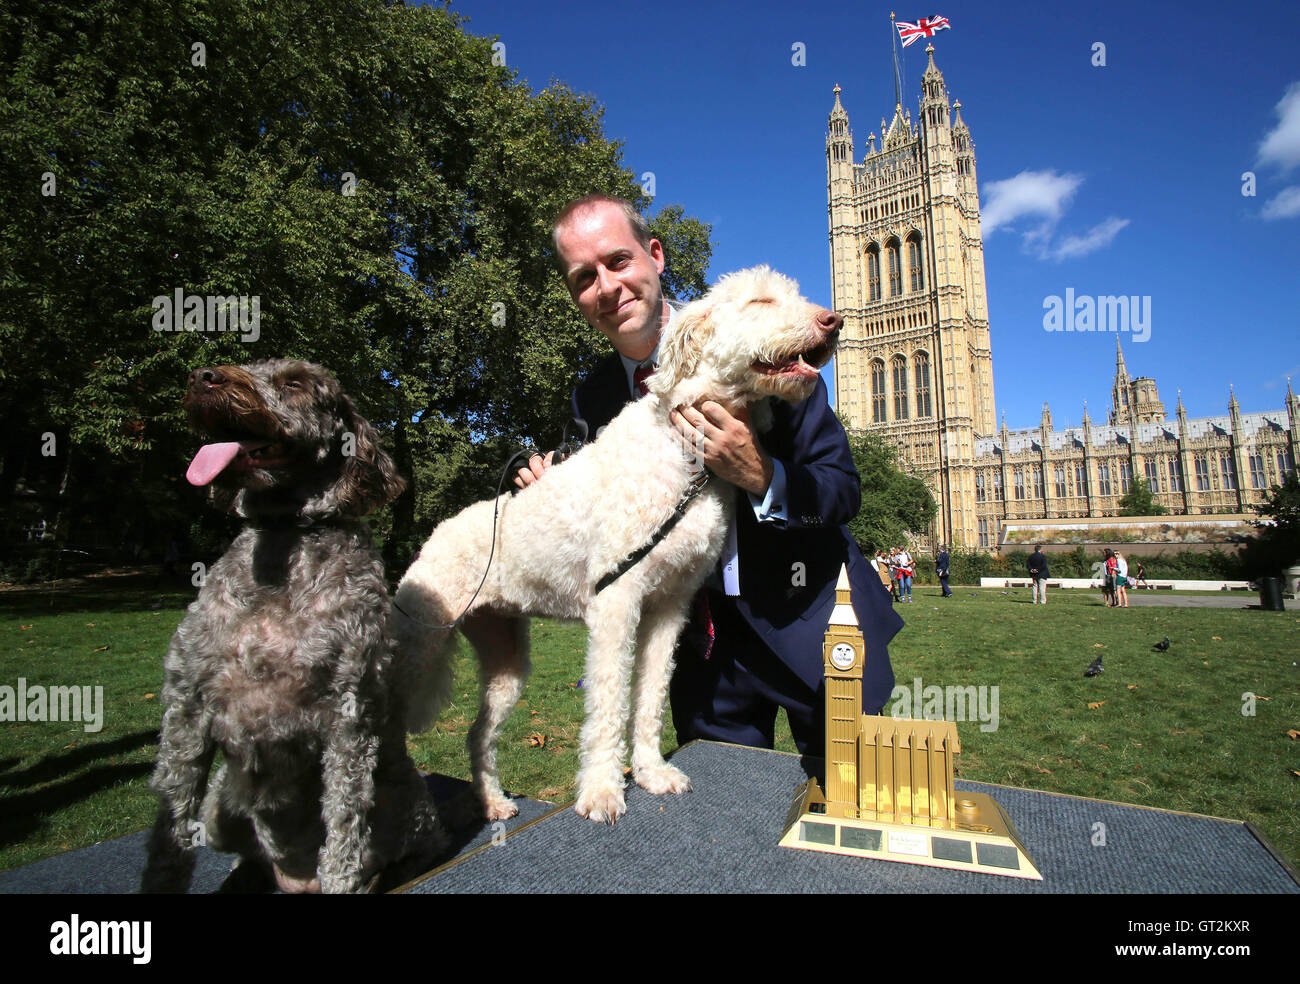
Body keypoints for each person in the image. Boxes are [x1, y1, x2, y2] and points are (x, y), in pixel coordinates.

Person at [519, 193, 904, 755]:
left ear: (655, 255)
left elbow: (841, 492)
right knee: (718, 832)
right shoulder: (592, 397)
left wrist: (762, 474)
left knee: (849, 820)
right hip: (700, 659)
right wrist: (545, 492)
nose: (606, 286)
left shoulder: (772, 352)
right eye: (584, 276)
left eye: (618, 260)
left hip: (814, 634)